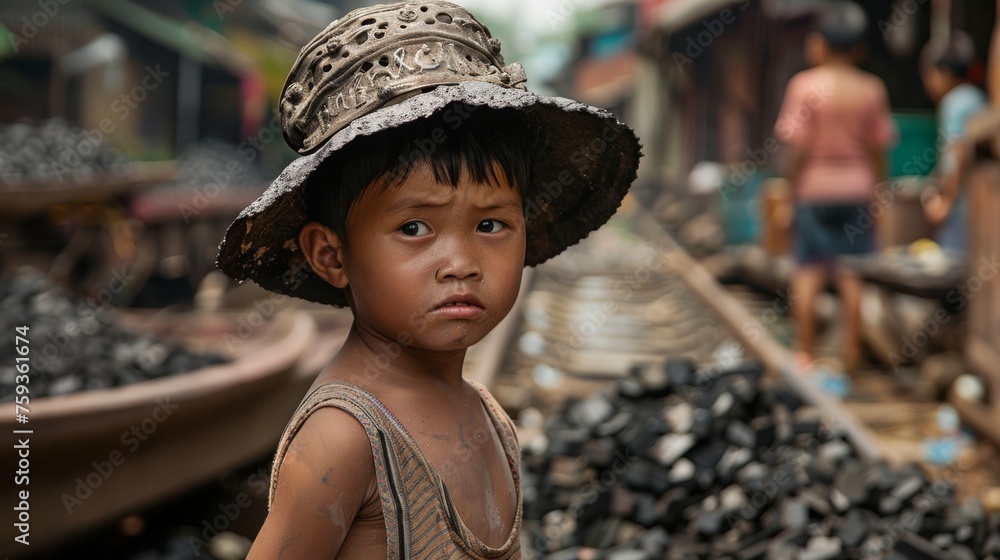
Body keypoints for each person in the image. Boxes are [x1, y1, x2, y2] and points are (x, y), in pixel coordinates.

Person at [215, 2, 641, 558]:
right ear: (330, 254)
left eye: (491, 224)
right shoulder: (343, 441)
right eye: (414, 228)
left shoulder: (491, 418)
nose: (460, 262)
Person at [774, 1, 897, 374]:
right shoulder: (871, 89)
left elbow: (796, 149)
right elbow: (878, 149)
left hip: (814, 190)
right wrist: (878, 191)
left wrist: (787, 193)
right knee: (852, 274)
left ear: (819, 45)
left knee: (808, 272)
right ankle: (850, 355)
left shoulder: (805, 86)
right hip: (857, 188)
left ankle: (806, 355)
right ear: (859, 48)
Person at [919, 31, 988, 252]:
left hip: (961, 209)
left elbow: (958, 151)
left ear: (945, 73)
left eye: (930, 75)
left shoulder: (953, 102)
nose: (928, 83)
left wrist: (946, 202)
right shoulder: (977, 97)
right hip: (980, 203)